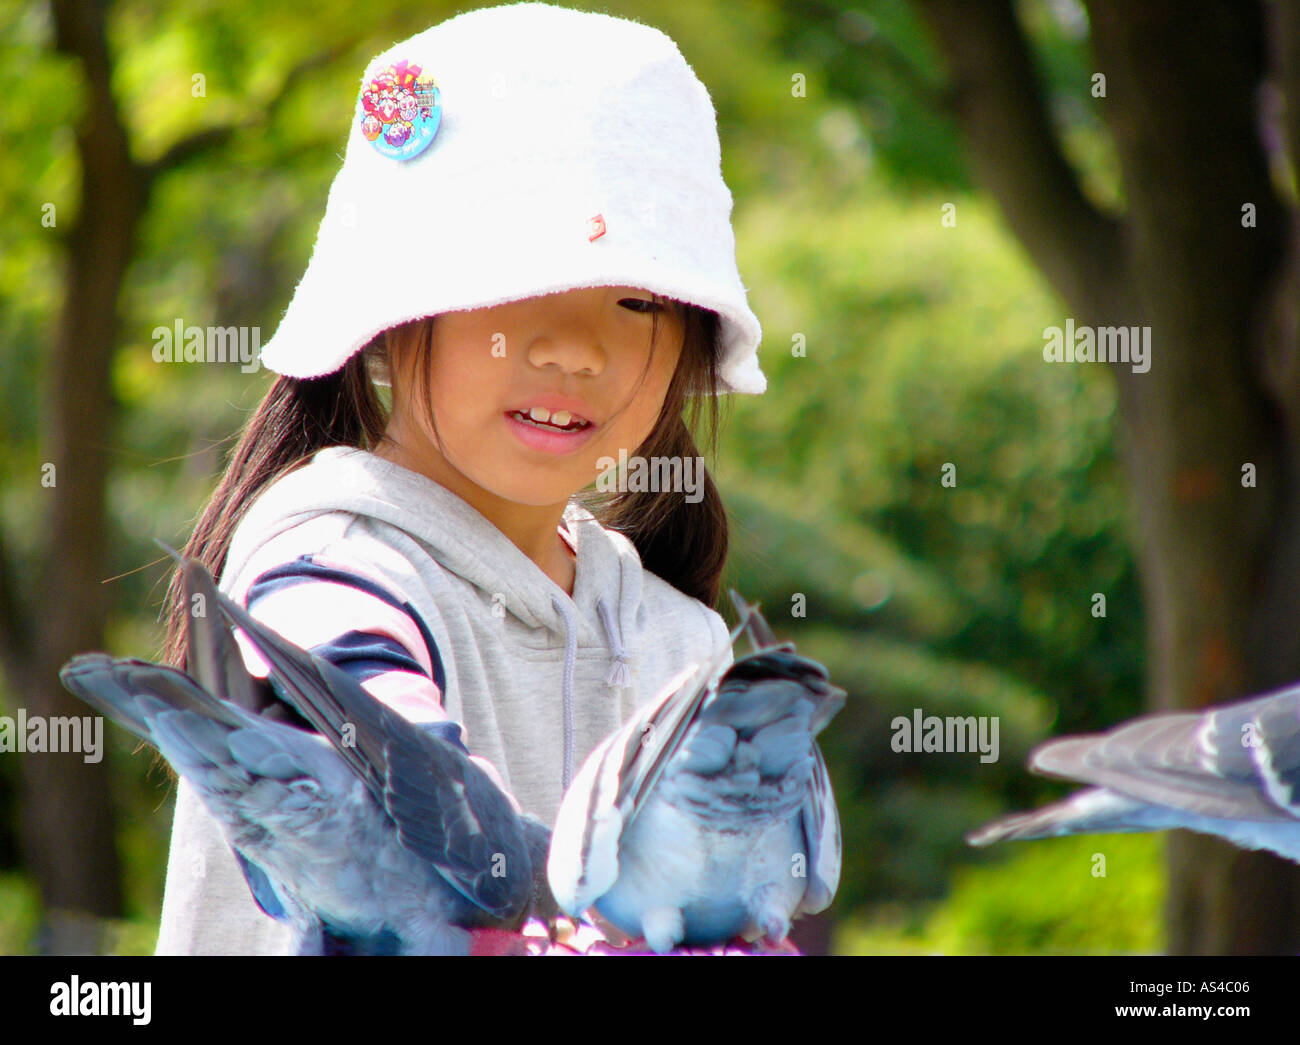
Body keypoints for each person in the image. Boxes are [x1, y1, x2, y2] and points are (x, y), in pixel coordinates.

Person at [151, 1, 768, 955]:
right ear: (397, 314)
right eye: (515, 280)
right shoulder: (325, 570)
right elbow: (394, 816)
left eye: (638, 298)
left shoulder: (681, 639)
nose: (574, 347)